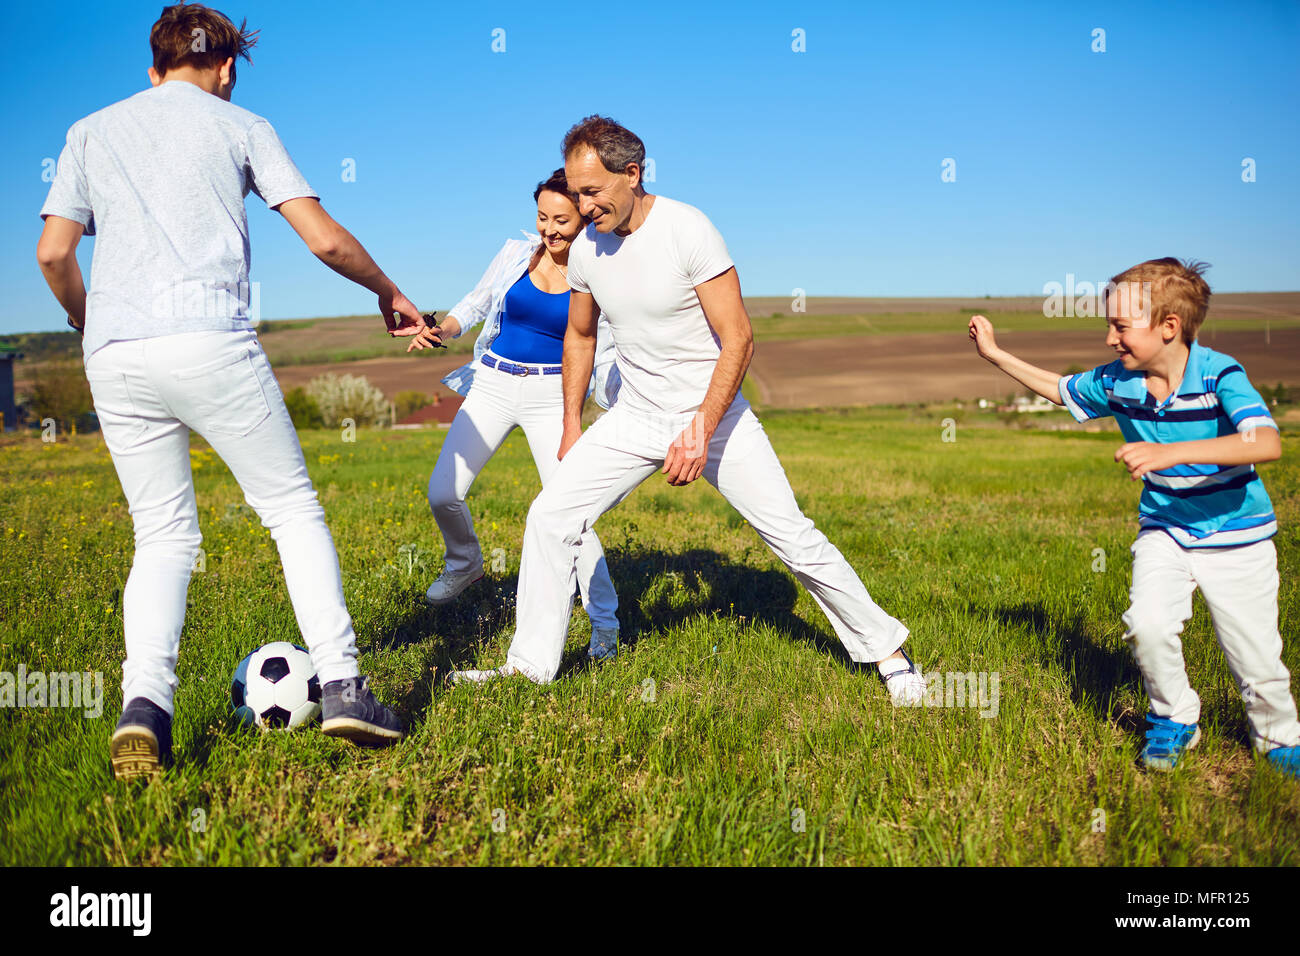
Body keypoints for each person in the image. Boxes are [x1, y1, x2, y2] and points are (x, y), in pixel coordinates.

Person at [36, 3, 418, 779]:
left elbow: (51, 253)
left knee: (163, 535)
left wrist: (88, 317)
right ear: (227, 68)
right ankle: (343, 685)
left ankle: (145, 707)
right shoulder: (241, 126)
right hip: (209, 340)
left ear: (153, 69)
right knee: (290, 509)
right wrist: (388, 291)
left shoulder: (89, 130)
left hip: (115, 354)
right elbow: (323, 237)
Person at [452, 115, 927, 704]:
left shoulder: (688, 229)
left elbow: (740, 339)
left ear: (633, 174)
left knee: (791, 537)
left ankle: (889, 656)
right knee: (550, 516)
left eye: (593, 192)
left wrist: (701, 429)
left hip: (716, 416)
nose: (583, 205)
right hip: (634, 415)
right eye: (576, 193)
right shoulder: (586, 251)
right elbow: (579, 338)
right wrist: (573, 423)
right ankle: (529, 668)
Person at [969, 258, 1299, 778]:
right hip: (1165, 529)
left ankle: (1277, 739)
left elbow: (1267, 441)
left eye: (1121, 326)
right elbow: (1060, 389)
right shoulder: (1117, 382)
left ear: (1169, 327)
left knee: (1254, 653)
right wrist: (994, 355)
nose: (1109, 339)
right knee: (1146, 624)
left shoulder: (1219, 373)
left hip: (1237, 535)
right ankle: (1175, 719)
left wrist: (1173, 453)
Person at [406, 170, 622, 660]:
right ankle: (464, 562)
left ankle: (605, 624)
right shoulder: (516, 254)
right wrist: (443, 329)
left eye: (561, 219)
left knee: (572, 516)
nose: (550, 228)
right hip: (494, 384)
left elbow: (605, 350)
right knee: (444, 492)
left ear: (585, 216)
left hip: (554, 395)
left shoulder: (601, 272)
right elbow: (477, 301)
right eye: (543, 217)